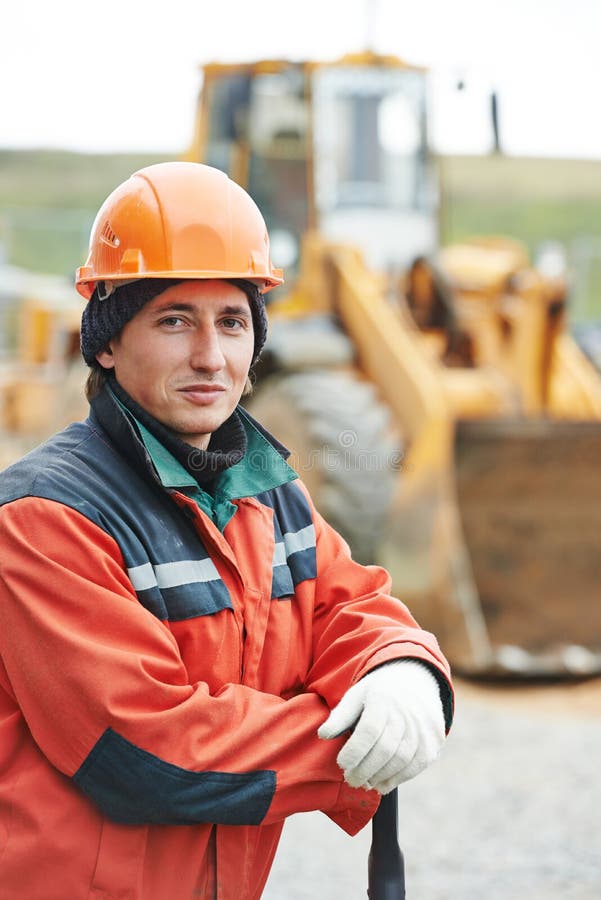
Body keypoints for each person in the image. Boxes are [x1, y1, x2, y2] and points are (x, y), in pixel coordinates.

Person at [0, 162, 453, 900]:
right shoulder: (46, 516)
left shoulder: (268, 495)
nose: (210, 357)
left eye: (232, 322)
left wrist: (400, 668)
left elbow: (346, 607)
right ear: (108, 344)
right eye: (175, 320)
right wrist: (355, 743)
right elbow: (143, 750)